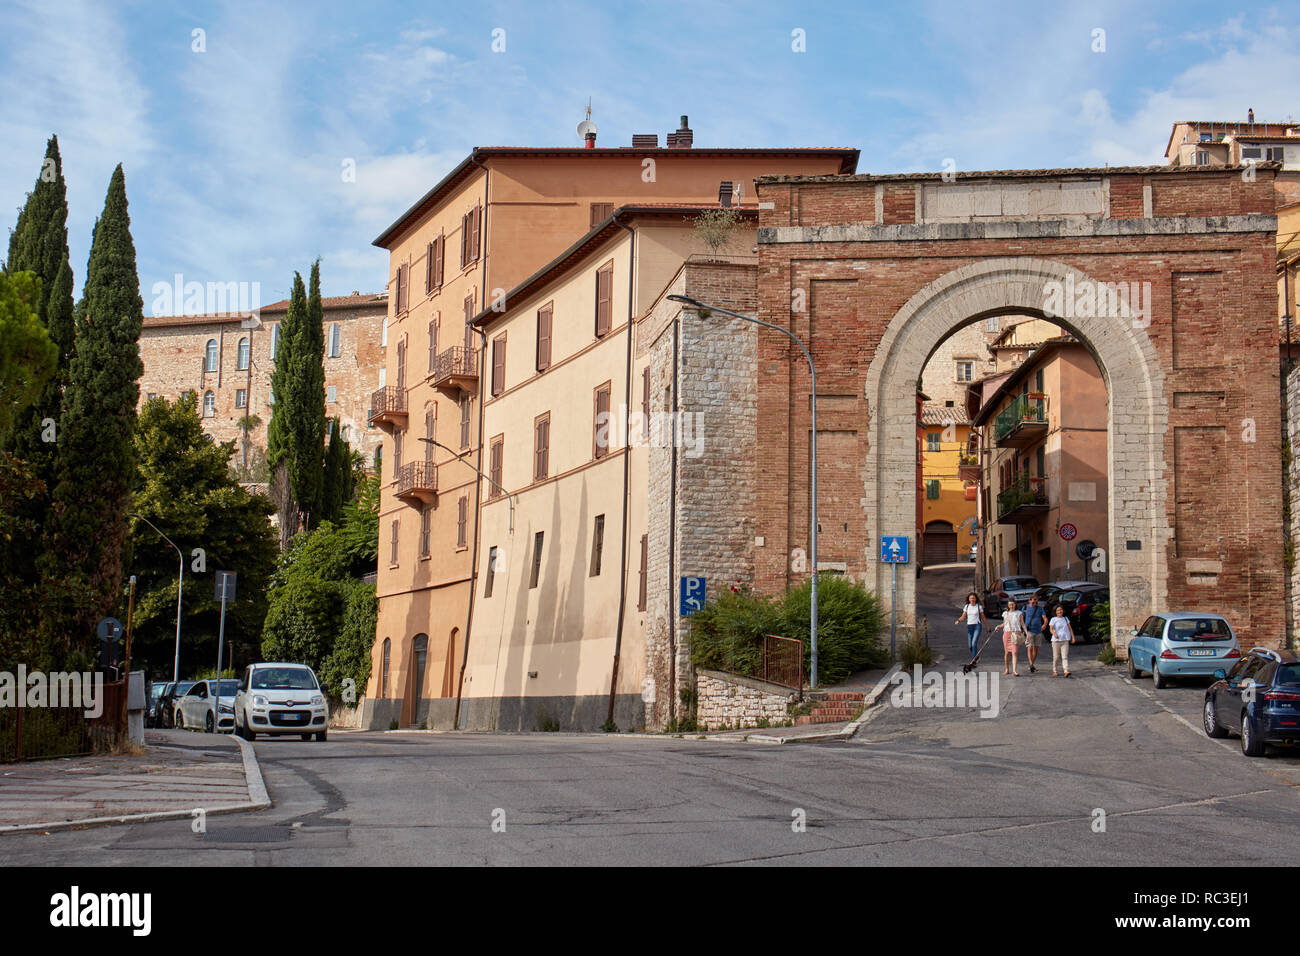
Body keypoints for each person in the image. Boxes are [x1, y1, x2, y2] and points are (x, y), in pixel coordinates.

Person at [955, 592, 988, 662]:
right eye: (971, 598)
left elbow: (983, 618)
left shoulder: (979, 607)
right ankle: (976, 656)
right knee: (970, 646)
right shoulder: (967, 606)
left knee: (974, 643)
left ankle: (974, 660)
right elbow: (963, 616)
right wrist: (958, 620)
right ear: (969, 599)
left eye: (973, 598)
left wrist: (987, 627)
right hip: (969, 626)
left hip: (977, 626)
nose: (972, 599)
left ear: (976, 599)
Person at [1022, 595, 1048, 674]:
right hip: (1029, 630)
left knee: (1035, 649)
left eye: (1035, 600)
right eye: (1032, 600)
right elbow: (1021, 618)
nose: (1034, 601)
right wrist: (1021, 629)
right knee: (1029, 647)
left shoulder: (1040, 609)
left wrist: (1044, 624)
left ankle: (1031, 665)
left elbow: (1045, 618)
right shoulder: (1025, 608)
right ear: (1029, 600)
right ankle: (1031, 664)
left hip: (1038, 631)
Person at [1049, 604, 1075, 677]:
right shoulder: (1053, 619)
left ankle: (1066, 671)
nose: (1060, 611)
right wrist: (1054, 633)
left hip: (1065, 640)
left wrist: (1073, 637)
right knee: (1056, 657)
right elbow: (1050, 629)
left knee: (1064, 656)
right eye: (1058, 610)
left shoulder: (1066, 619)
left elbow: (1070, 628)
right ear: (1055, 612)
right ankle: (1055, 670)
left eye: (1061, 610)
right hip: (1056, 641)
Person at [1001, 599, 1026, 676]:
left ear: (1015, 604)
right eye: (1010, 605)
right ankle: (1007, 669)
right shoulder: (1005, 613)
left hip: (1016, 634)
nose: (1011, 606)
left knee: (1014, 651)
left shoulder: (1019, 613)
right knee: (1007, 652)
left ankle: (1014, 670)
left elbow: (1022, 624)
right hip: (1006, 633)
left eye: (1013, 604)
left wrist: (1026, 633)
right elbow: (1004, 624)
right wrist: (998, 626)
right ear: (1008, 605)